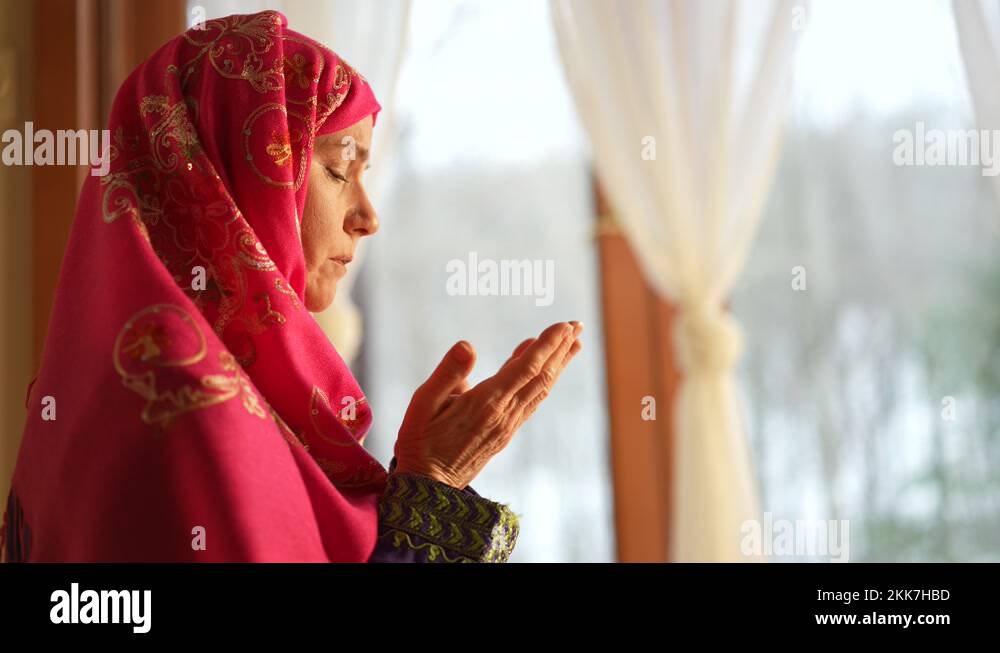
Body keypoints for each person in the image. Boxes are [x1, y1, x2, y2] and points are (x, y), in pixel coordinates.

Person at [1, 10, 582, 563]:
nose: (367, 216)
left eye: (364, 175)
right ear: (230, 174)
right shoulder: (185, 394)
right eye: (336, 169)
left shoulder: (98, 386)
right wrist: (434, 486)